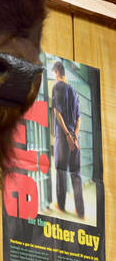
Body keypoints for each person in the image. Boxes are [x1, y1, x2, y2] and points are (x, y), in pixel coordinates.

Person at [50, 60, 85, 218]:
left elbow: (57, 113)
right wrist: (75, 136)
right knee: (75, 174)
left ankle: (62, 206)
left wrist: (67, 136)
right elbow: (79, 119)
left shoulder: (57, 86)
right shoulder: (74, 91)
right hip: (74, 138)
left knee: (61, 170)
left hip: (64, 139)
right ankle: (81, 211)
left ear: (57, 72)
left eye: (54, 73)